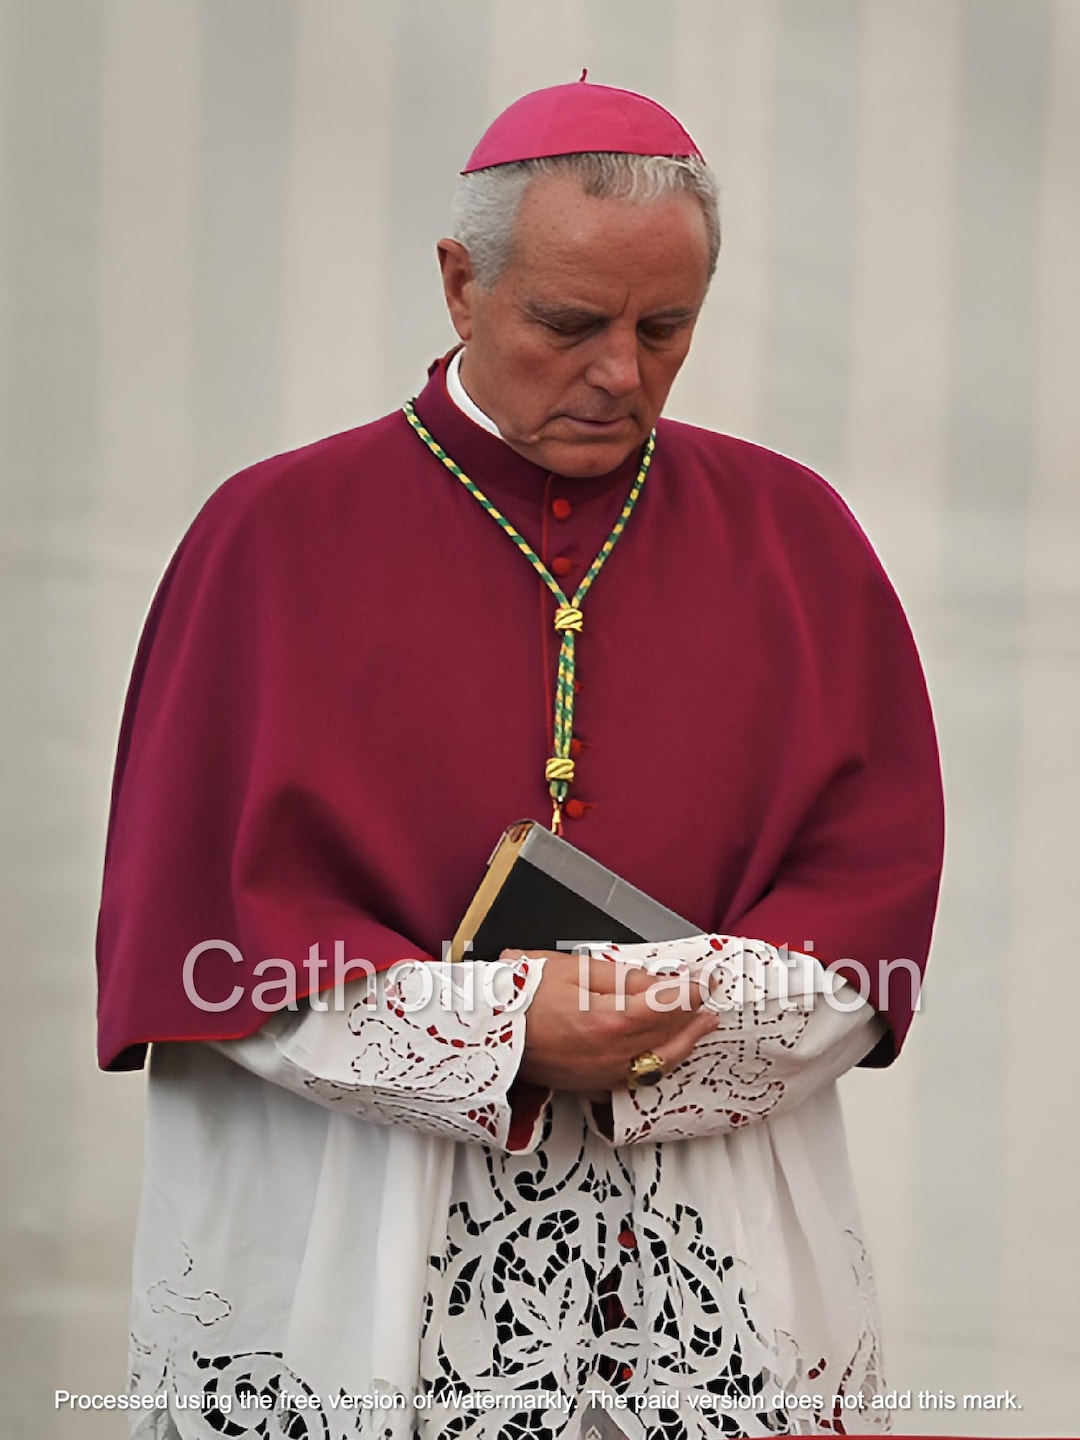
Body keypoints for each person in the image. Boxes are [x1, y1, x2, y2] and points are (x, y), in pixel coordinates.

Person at [96, 79, 943, 1439]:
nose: (621, 374)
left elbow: (867, 917)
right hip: (359, 1233)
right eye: (569, 323)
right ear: (460, 285)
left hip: (700, 1248)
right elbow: (200, 941)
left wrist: (662, 1011)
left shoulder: (799, 538)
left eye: (664, 329)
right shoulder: (269, 539)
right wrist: (499, 1033)